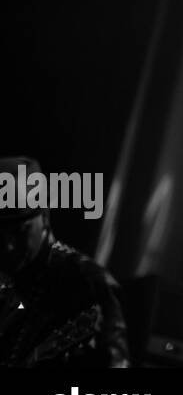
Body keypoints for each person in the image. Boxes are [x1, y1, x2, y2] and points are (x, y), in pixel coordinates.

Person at [0, 157, 130, 368]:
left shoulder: (89, 284)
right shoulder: (7, 281)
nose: (8, 246)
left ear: (45, 216)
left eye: (19, 231)